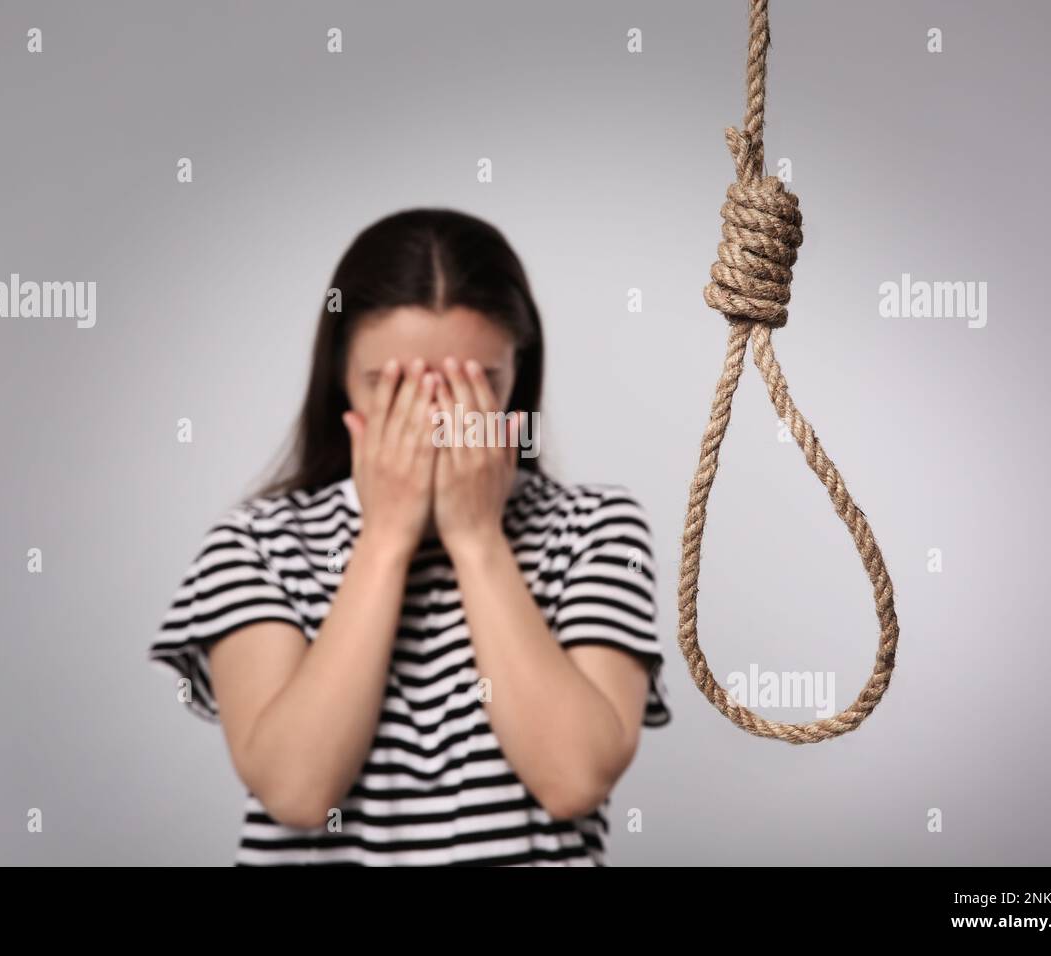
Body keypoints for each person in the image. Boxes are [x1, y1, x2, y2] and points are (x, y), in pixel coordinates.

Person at [148, 207, 672, 865]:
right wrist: (386, 539)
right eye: (392, 385)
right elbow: (297, 792)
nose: (436, 418)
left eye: (472, 384)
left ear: (517, 376)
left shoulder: (596, 528)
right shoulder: (254, 543)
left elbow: (573, 778)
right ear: (341, 377)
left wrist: (476, 538)